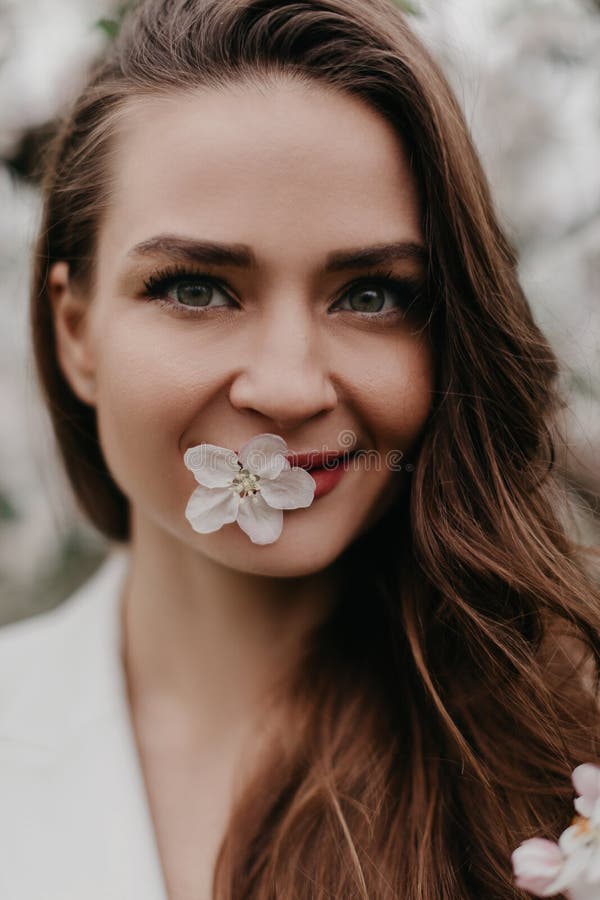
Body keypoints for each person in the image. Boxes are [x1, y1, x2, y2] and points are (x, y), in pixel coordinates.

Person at [1, 0, 598, 897]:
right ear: (76, 329)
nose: (287, 388)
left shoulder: (572, 745)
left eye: (371, 295)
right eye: (196, 289)